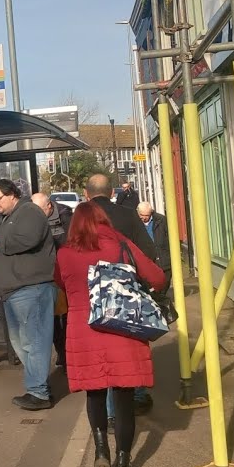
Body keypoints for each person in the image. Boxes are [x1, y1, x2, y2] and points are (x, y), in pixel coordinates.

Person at [54, 202, 166, 467]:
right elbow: (157, 277)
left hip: (84, 332)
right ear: (105, 220)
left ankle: (101, 452)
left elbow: (62, 283)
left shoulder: (66, 253)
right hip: (122, 331)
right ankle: (124, 466)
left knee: (94, 395)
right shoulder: (121, 245)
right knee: (124, 399)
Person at [0, 180, 57, 411]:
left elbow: (28, 239)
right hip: (12, 291)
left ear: (13, 195)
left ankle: (39, 392)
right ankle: (39, 384)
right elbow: (0, 249)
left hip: (31, 288)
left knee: (34, 341)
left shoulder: (30, 212)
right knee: (20, 342)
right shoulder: (0, 221)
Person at [87, 174, 158, 415]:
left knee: (104, 351)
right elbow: (148, 251)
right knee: (131, 343)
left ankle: (110, 412)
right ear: (112, 193)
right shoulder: (128, 214)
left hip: (94, 291)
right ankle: (137, 395)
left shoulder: (82, 218)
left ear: (86, 195)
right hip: (128, 290)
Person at [32, 192, 72, 368]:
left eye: (40, 210)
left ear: (49, 206)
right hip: (46, 275)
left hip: (66, 274)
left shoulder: (65, 216)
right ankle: (62, 354)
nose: (37, 215)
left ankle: (69, 354)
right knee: (53, 319)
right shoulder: (32, 218)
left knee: (69, 317)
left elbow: (71, 243)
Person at [136, 202, 171, 274]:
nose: (144, 218)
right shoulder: (134, 222)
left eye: (147, 215)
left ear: (151, 212)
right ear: (138, 212)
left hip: (162, 259)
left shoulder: (161, 220)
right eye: (141, 215)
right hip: (145, 259)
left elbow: (169, 237)